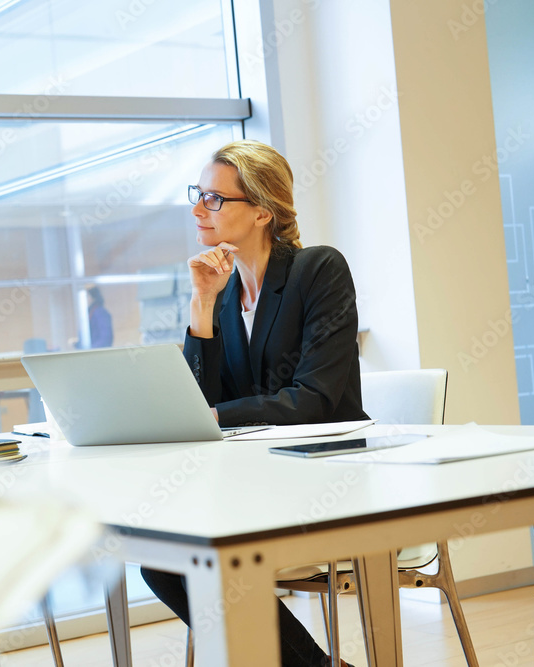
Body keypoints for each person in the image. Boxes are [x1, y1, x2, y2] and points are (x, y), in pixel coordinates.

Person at [142, 140, 366, 666]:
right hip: (257, 482)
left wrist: (218, 416)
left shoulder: (318, 271)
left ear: (263, 211)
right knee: (165, 561)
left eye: (214, 198)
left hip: (328, 476)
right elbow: (201, 403)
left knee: (195, 558)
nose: (199, 208)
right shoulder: (220, 292)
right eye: (197, 194)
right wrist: (201, 302)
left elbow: (312, 399)